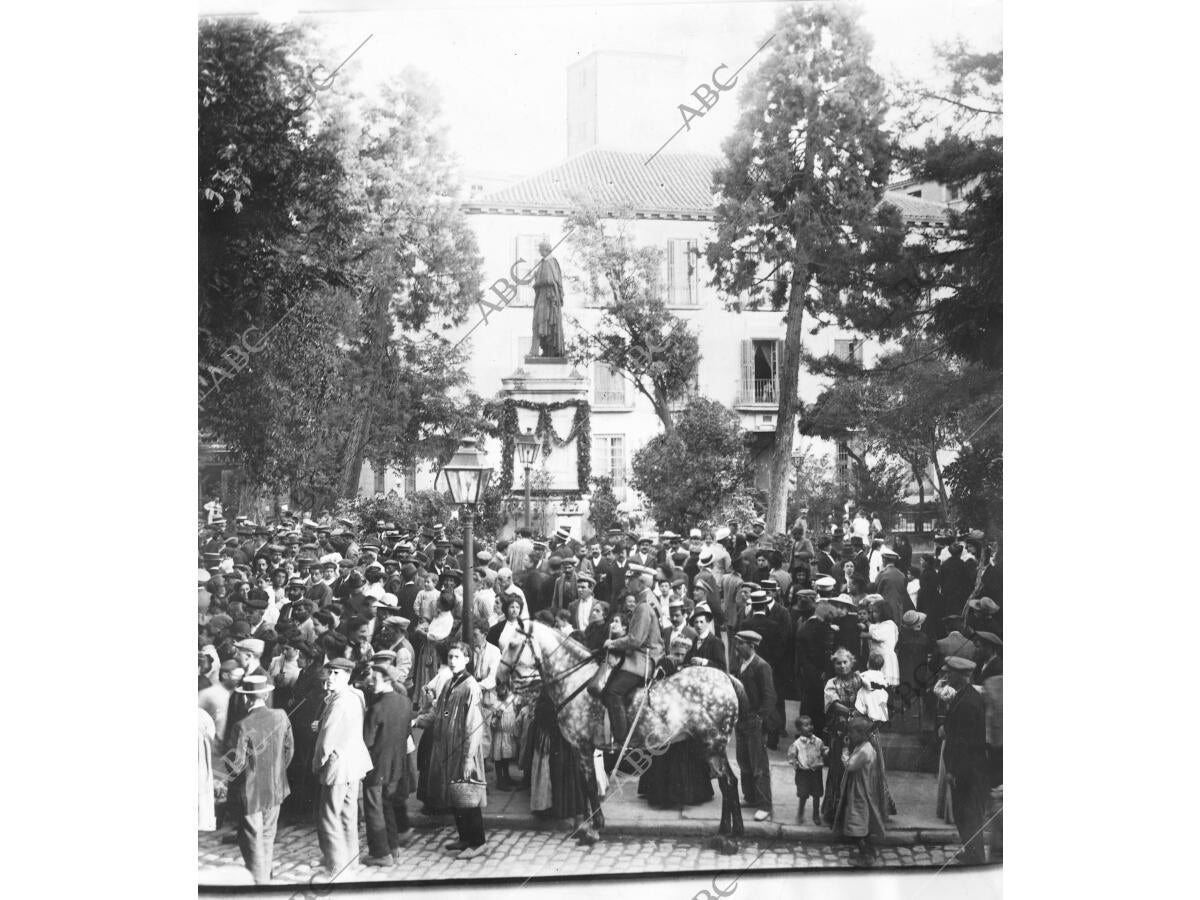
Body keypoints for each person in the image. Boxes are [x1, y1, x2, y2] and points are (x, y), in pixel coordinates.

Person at [223, 674, 294, 884]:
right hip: (276, 787)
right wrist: (277, 770)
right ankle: (266, 875)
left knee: (252, 838)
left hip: (251, 791)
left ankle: (259, 884)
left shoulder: (242, 725)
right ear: (266, 694)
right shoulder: (281, 715)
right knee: (268, 835)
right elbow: (289, 750)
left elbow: (235, 765)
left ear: (246, 698)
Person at [425, 642, 489, 859]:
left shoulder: (470, 686)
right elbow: (440, 711)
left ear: (467, 660)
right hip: (447, 746)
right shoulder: (450, 683)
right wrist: (419, 720)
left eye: (457, 657)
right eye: (450, 657)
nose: (452, 661)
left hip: (463, 747)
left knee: (467, 792)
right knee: (455, 793)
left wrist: (469, 757)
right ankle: (464, 838)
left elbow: (474, 724)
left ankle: (477, 842)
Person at [637, 634, 715, 808]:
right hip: (666, 715)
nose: (679, 657)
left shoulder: (684, 666)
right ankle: (665, 795)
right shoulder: (665, 664)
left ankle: (690, 792)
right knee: (667, 753)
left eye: (682, 654)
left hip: (681, 716)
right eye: (677, 653)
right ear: (671, 650)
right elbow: (655, 686)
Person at [311, 658, 373, 876]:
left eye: (336, 673)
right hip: (355, 764)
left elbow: (326, 741)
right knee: (348, 814)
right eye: (329, 673)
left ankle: (336, 866)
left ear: (348, 675)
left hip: (337, 767)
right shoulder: (356, 695)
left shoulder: (339, 702)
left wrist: (317, 765)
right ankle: (350, 861)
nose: (330, 678)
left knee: (329, 817)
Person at [600, 565, 664, 750]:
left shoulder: (644, 606)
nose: (627, 582)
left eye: (631, 579)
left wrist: (612, 643)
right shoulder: (649, 600)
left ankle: (622, 741)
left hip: (644, 659)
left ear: (641, 581)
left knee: (612, 691)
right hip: (646, 655)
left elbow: (635, 640)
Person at [361, 661, 414, 867]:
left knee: (373, 808)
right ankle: (393, 847)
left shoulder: (377, 708)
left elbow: (367, 741)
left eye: (376, 680)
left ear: (388, 681)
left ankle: (380, 853)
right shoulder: (404, 702)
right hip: (397, 765)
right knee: (388, 804)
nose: (372, 683)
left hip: (376, 766)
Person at [938, 656, 990, 864]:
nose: (946, 676)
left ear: (961, 676)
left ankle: (976, 859)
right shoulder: (965, 695)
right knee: (963, 815)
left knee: (968, 815)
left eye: (949, 673)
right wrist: (946, 728)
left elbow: (964, 742)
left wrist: (953, 771)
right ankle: (971, 852)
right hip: (967, 769)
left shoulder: (968, 702)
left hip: (967, 771)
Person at [732, 630, 776, 822]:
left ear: (752, 646)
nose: (737, 646)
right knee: (743, 761)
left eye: (740, 643)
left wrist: (759, 718)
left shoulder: (761, 666)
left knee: (759, 764)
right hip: (740, 720)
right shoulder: (740, 663)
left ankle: (765, 804)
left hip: (754, 722)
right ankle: (750, 797)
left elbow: (770, 696)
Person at [832, 717, 887, 861]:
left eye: (852, 733)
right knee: (862, 823)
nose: (849, 735)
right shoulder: (866, 746)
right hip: (863, 787)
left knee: (856, 825)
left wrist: (844, 751)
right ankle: (869, 851)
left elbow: (850, 765)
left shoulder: (864, 751)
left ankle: (866, 855)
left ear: (861, 734)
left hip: (859, 790)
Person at [865, 599, 900, 686]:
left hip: (885, 657)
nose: (873, 614)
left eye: (876, 612)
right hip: (877, 657)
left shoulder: (889, 624)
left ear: (884, 612)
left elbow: (877, 635)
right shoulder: (880, 625)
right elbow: (873, 627)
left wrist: (864, 634)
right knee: (875, 681)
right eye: (872, 612)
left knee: (884, 681)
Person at [683, 603, 727, 671]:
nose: (699, 625)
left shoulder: (716, 642)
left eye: (701, 622)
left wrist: (703, 662)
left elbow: (722, 667)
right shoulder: (693, 641)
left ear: (707, 622)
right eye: (696, 622)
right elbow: (686, 662)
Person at [199, 708, 217, 832]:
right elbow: (211, 734)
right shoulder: (202, 714)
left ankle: (202, 819)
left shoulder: (202, 715)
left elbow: (211, 734)